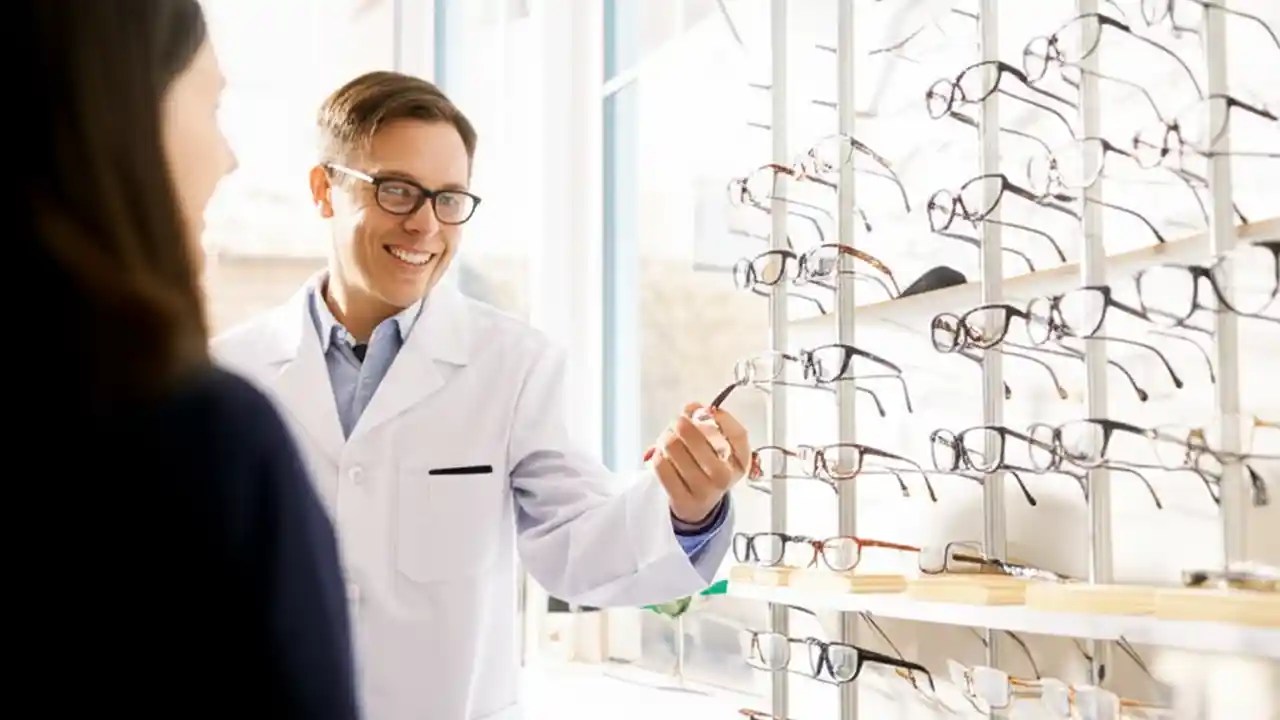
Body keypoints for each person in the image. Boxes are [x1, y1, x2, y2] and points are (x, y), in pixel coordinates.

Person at [213, 70, 750, 719]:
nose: (425, 225)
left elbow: (576, 548)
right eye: (397, 191)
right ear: (325, 190)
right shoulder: (231, 373)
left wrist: (687, 509)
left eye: (449, 199)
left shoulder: (512, 366)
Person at [19, 2, 361, 717]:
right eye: (210, 103)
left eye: (450, 198)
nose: (228, 156)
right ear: (118, 119)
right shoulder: (201, 437)